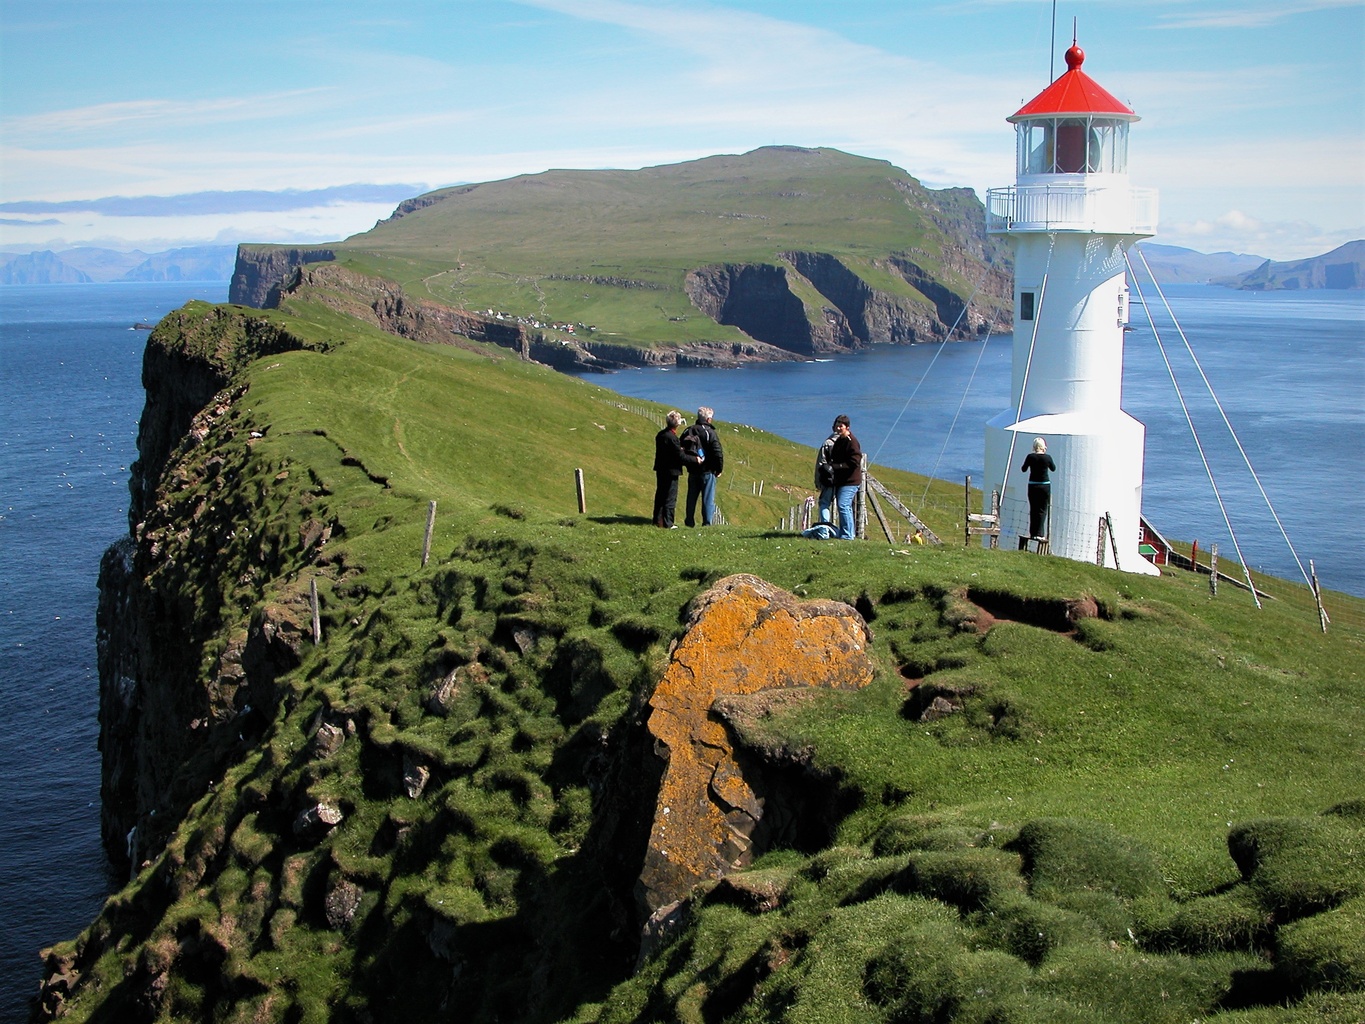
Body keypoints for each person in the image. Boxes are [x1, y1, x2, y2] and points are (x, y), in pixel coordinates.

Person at [681, 406, 724, 526]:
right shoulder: (710, 433)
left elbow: (680, 448)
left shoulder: (688, 431)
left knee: (691, 497)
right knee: (708, 499)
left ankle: (689, 521)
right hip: (707, 470)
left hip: (692, 469)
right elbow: (717, 452)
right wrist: (719, 469)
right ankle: (707, 523)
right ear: (708, 419)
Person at [829, 414, 862, 540]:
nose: (838, 428)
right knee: (843, 506)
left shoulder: (851, 442)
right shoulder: (839, 440)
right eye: (837, 426)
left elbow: (855, 462)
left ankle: (848, 534)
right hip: (842, 480)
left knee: (843, 505)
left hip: (851, 481)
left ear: (847, 427)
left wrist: (837, 466)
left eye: (841, 426)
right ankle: (845, 533)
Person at [652, 411, 686, 528]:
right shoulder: (672, 438)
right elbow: (680, 456)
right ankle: (668, 522)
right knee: (670, 497)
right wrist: (695, 459)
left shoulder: (660, 435)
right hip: (671, 470)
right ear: (677, 423)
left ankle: (657, 520)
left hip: (661, 468)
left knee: (660, 494)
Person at [1021, 436, 1056, 540]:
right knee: (1042, 510)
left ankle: (1033, 533)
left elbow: (1023, 469)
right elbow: (1053, 468)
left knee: (1033, 509)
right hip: (1044, 485)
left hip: (1033, 485)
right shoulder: (1047, 457)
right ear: (1043, 447)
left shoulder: (1030, 457)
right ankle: (1040, 534)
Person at [814, 424, 838, 526]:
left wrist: (818, 481)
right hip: (847, 481)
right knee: (844, 506)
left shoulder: (827, 443)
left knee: (824, 503)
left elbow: (821, 464)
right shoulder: (849, 443)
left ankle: (825, 527)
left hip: (830, 479)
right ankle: (846, 531)